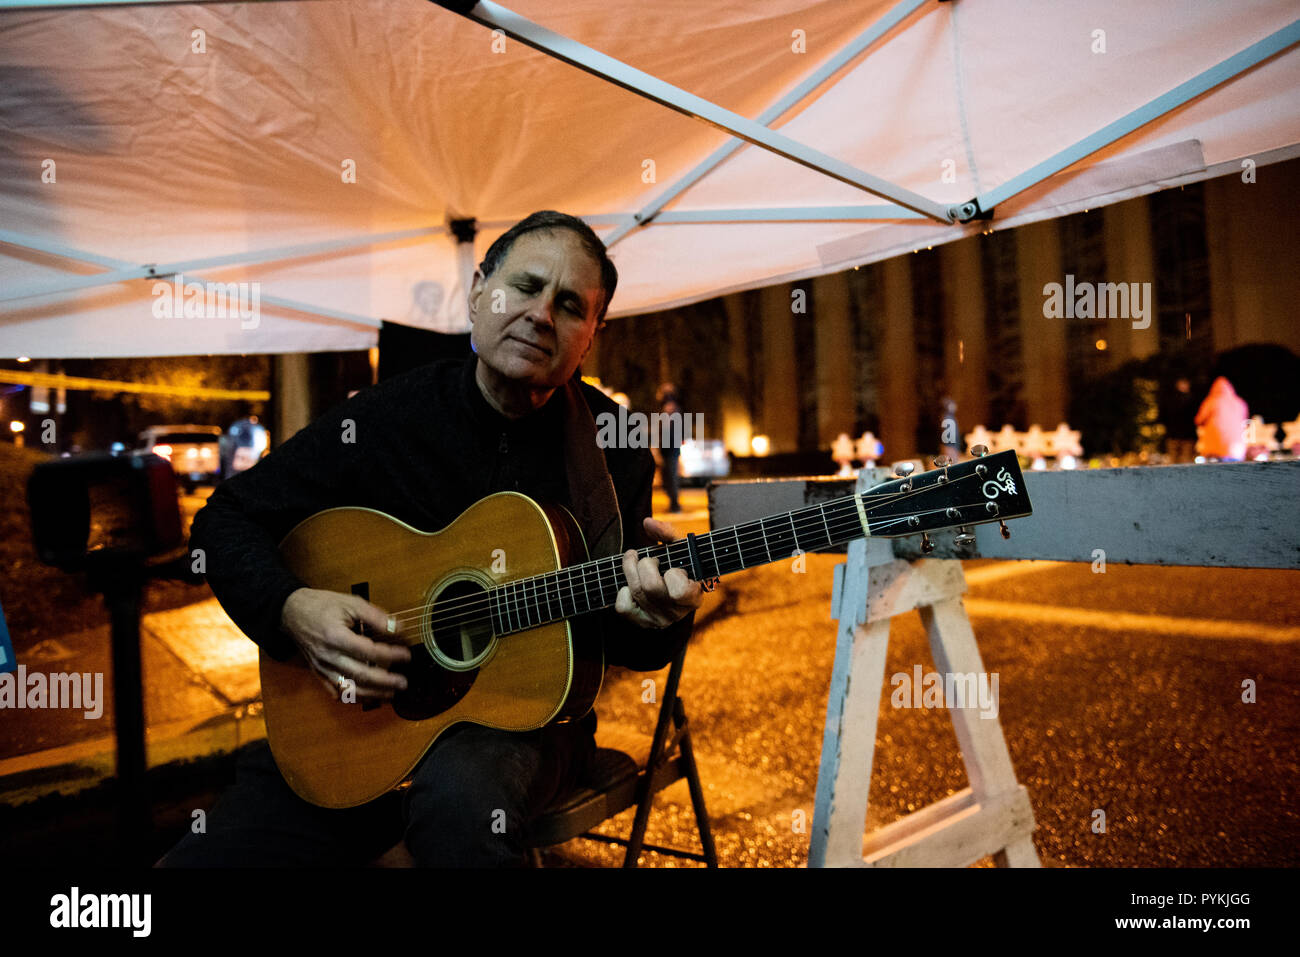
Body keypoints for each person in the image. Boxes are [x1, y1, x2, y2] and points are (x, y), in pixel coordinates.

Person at [158, 211, 702, 867]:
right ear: (478, 292)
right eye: (523, 287)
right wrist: (293, 610)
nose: (539, 315)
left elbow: (629, 638)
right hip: (347, 721)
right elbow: (224, 518)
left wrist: (662, 613)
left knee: (460, 807)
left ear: (591, 336)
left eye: (568, 305)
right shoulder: (391, 415)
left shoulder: (608, 445)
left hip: (523, 725)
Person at [655, 382, 683, 513]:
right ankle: (673, 503)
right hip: (669, 448)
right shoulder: (669, 407)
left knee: (670, 476)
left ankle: (675, 504)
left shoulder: (669, 407)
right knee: (667, 476)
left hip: (670, 449)